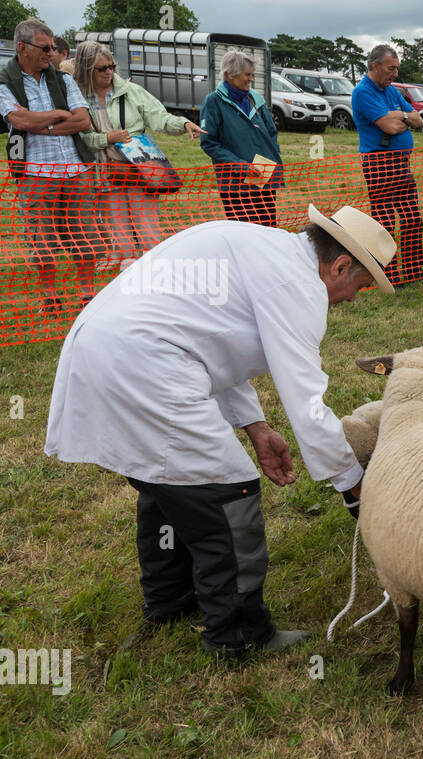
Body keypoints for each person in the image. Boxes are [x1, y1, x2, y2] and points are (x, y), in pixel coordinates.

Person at [44, 204, 396, 655]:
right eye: (359, 286)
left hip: (109, 345)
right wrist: (353, 486)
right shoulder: (298, 286)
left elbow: (211, 339)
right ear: (340, 265)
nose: (351, 298)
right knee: (228, 491)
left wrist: (256, 427)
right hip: (146, 360)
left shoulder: (261, 249)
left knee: (171, 479)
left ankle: (171, 599)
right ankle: (240, 634)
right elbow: (306, 402)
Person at [0, 18, 104, 313]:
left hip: (76, 169)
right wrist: (58, 113)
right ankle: (50, 298)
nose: (51, 53)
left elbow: (83, 120)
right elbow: (18, 120)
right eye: (44, 48)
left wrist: (43, 123)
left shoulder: (63, 79)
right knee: (41, 237)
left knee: (85, 233)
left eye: (53, 47)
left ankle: (87, 294)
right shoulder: (5, 83)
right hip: (36, 172)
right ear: (22, 48)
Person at [72, 40, 205, 265]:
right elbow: (81, 139)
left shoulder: (131, 91)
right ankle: (127, 268)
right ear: (86, 70)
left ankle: (153, 266)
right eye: (101, 69)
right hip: (102, 172)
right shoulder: (78, 98)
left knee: (147, 226)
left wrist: (183, 124)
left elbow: (159, 116)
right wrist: (108, 138)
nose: (108, 72)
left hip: (140, 169)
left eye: (111, 66)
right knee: (117, 226)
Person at [352, 43, 423, 288]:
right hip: (379, 164)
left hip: (401, 163)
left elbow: (419, 120)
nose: (395, 74)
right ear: (375, 66)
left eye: (397, 68)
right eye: (390, 68)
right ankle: (389, 275)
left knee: (412, 217)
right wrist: (402, 117)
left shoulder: (392, 91)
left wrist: (399, 115)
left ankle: (414, 271)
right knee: (384, 222)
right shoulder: (363, 92)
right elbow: (391, 127)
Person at [200, 51, 283, 227]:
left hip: (263, 179)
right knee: (244, 234)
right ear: (230, 74)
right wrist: (240, 166)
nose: (251, 79)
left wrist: (271, 159)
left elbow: (271, 132)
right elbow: (209, 143)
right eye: (247, 74)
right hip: (236, 185)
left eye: (252, 74)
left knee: (268, 230)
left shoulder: (255, 98)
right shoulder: (213, 102)